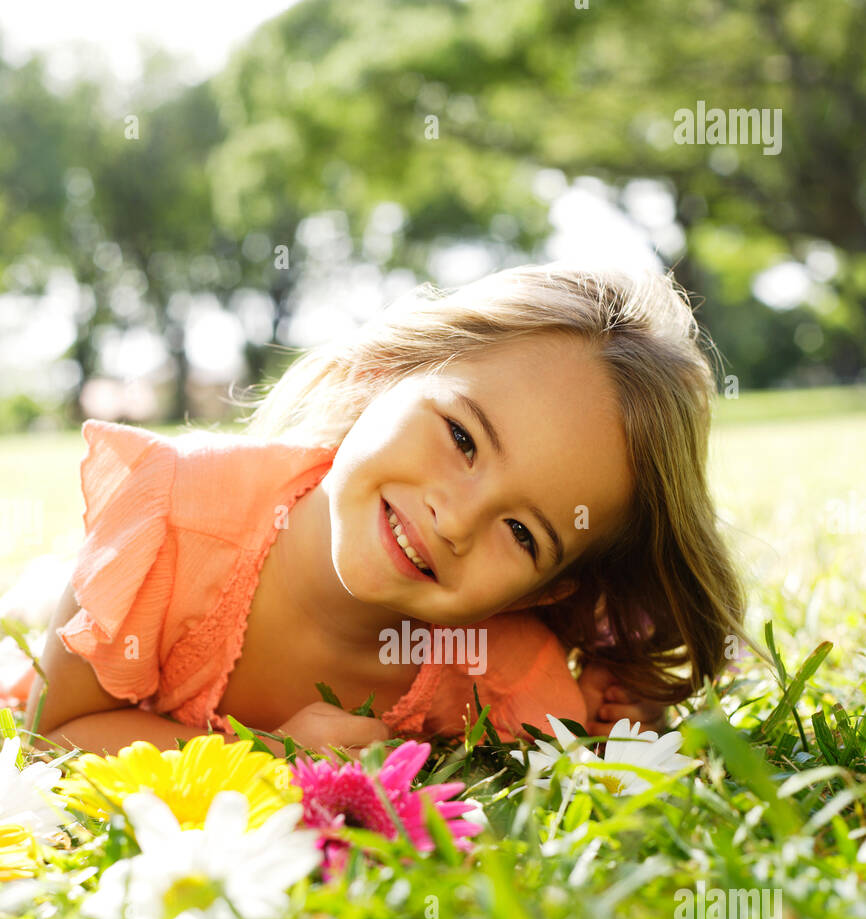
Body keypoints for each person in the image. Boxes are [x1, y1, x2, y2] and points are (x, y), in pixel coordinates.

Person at [22, 262, 750, 759]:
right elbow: (54, 734)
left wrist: (608, 716)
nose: (456, 520)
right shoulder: (172, 518)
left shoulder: (488, 660)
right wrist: (273, 756)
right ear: (387, 373)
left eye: (524, 533)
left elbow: (573, 731)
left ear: (545, 590)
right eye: (462, 437)